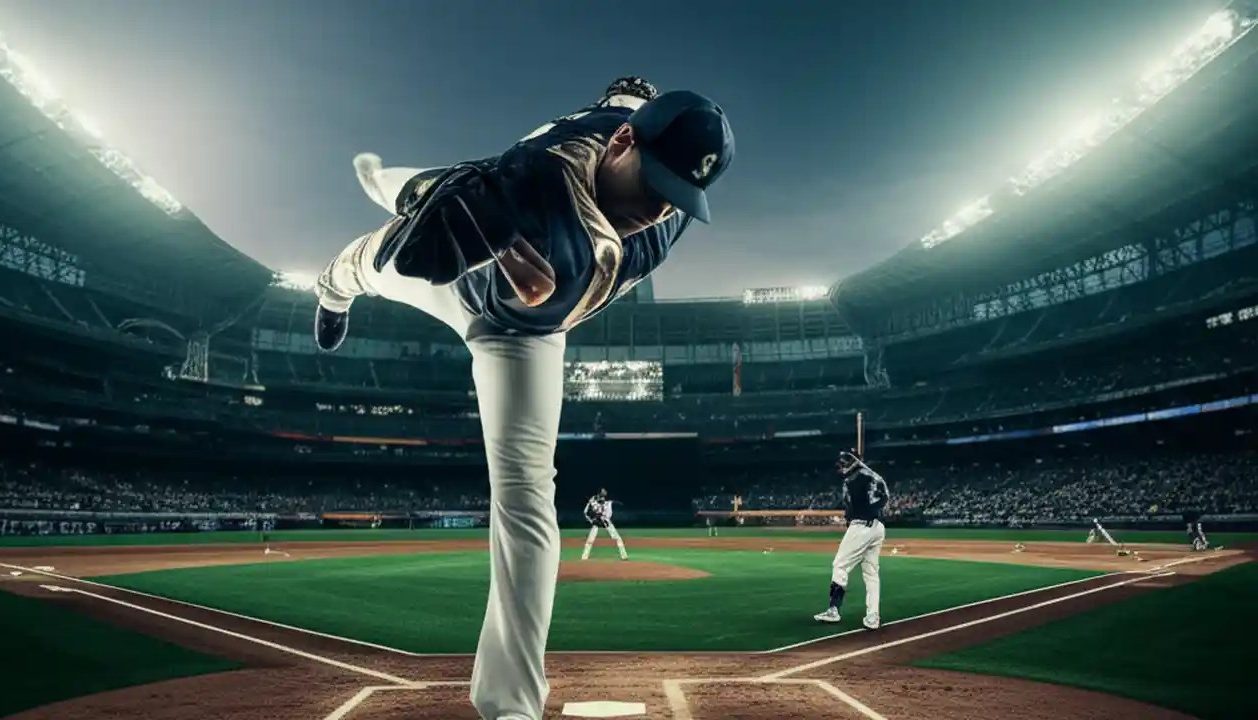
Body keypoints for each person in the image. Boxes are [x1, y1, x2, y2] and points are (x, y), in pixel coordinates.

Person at [312, 76, 733, 720]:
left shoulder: (641, 164)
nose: (659, 206)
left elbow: (620, 106)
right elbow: (474, 220)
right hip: (464, 281)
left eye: (679, 193)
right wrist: (475, 226)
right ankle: (333, 282)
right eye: (653, 182)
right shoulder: (538, 187)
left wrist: (626, 93)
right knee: (382, 255)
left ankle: (510, 708)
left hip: (522, 339)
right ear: (622, 142)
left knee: (528, 496)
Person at [814, 449, 889, 630]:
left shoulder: (853, 480)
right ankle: (873, 617)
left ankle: (833, 610)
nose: (840, 470)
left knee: (840, 565)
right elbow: (885, 498)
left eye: (842, 465)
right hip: (878, 527)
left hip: (861, 526)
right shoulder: (873, 475)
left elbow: (849, 508)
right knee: (871, 574)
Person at [581, 488, 628, 561]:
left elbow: (610, 506)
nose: (605, 492)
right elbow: (586, 512)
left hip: (606, 521)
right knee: (590, 540)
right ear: (599, 492)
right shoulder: (593, 500)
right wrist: (592, 519)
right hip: (597, 522)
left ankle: (624, 556)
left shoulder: (605, 501)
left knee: (617, 538)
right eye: (603, 491)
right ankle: (584, 557)